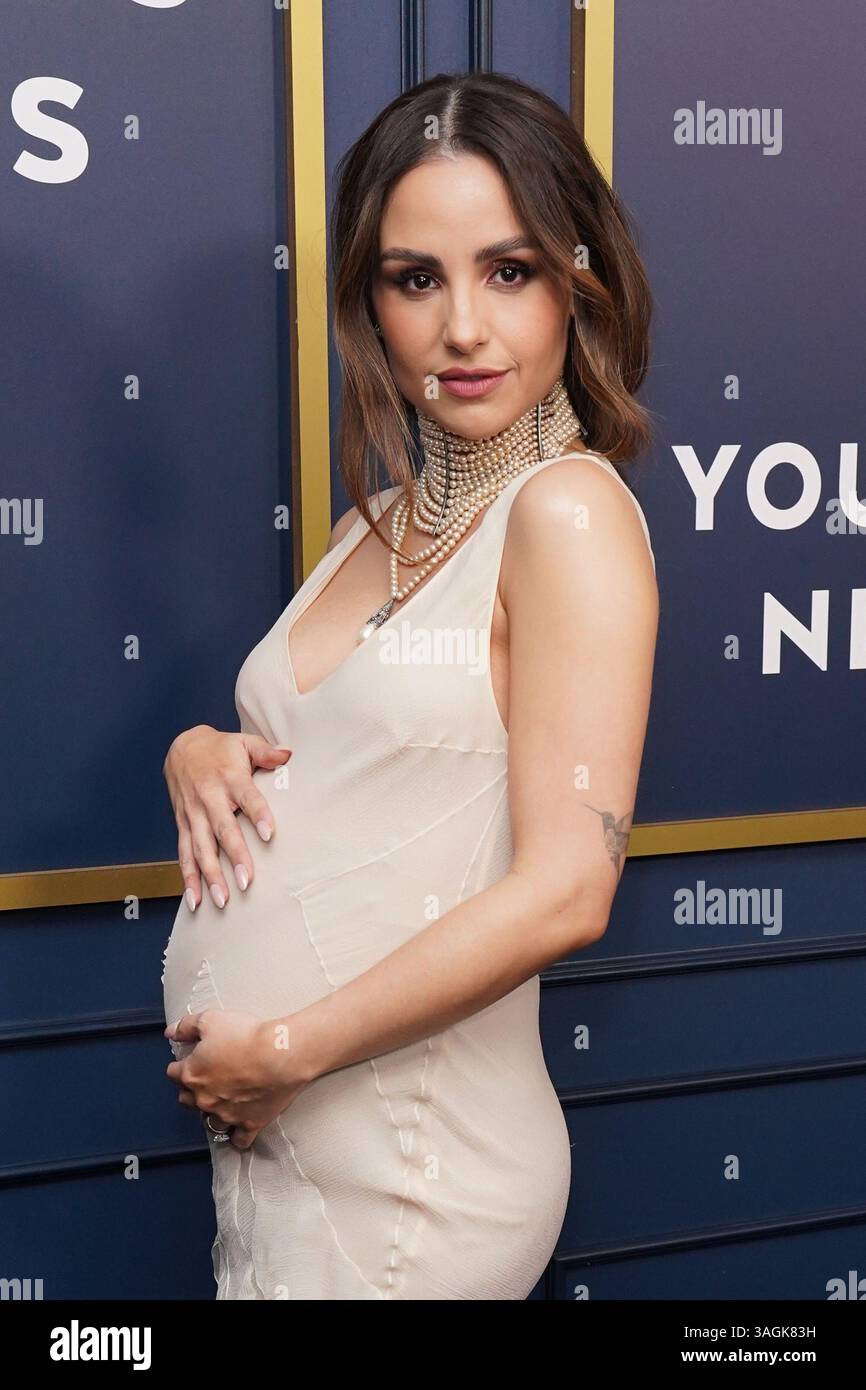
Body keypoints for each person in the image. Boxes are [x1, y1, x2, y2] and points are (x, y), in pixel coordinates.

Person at [161, 71, 659, 1300]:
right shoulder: (368, 524)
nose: (462, 330)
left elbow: (567, 890)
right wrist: (198, 748)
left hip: (415, 1173)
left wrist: (285, 1048)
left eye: (509, 269)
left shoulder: (569, 513)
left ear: (578, 279)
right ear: (367, 301)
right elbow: (348, 752)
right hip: (283, 1152)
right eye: (414, 277)